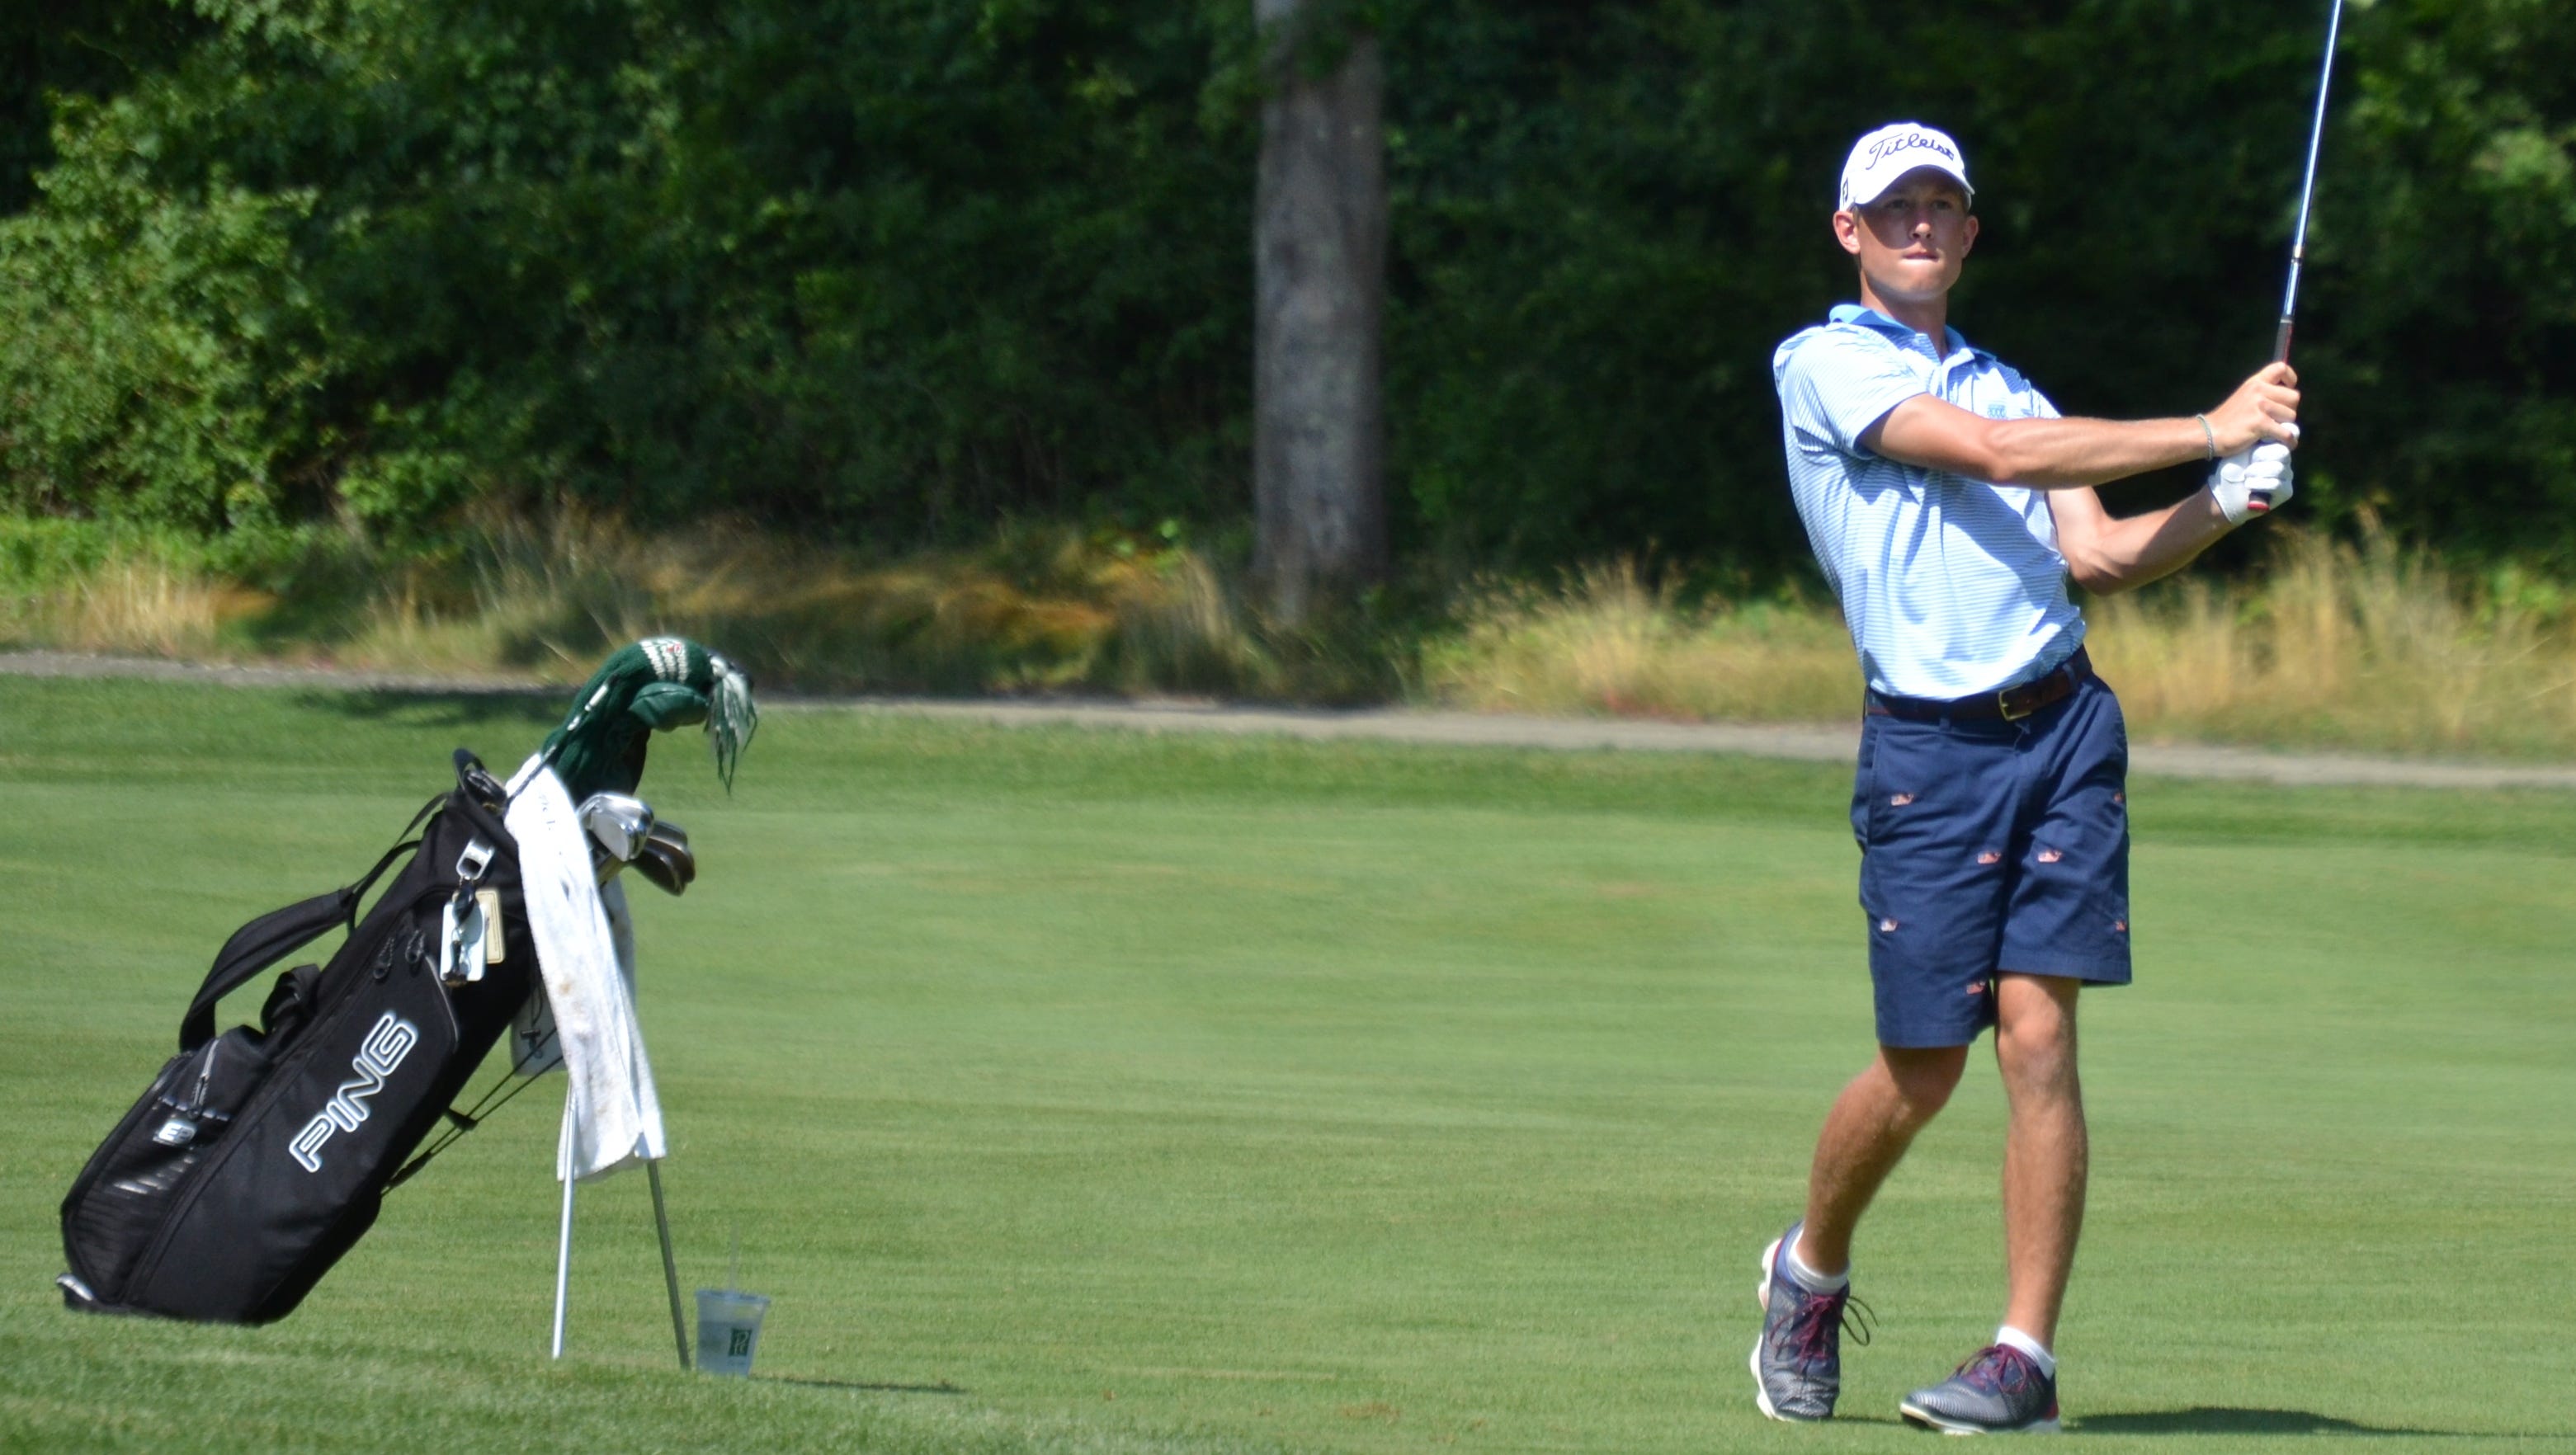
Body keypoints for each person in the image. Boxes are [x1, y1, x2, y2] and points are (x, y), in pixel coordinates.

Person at [1753, 122, 2300, 1435]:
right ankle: (1808, 1266)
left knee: (2041, 1035)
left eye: (1942, 206)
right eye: (1894, 210)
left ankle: (2022, 1360)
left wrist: (2227, 499)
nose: (1920, 225)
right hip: (1929, 753)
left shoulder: (2020, 389)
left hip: (2061, 727)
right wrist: (2203, 425)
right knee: (1924, 1066)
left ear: (1969, 231)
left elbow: (2100, 556)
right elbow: (1989, 461)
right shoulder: (1822, 363)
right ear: (1850, 233)